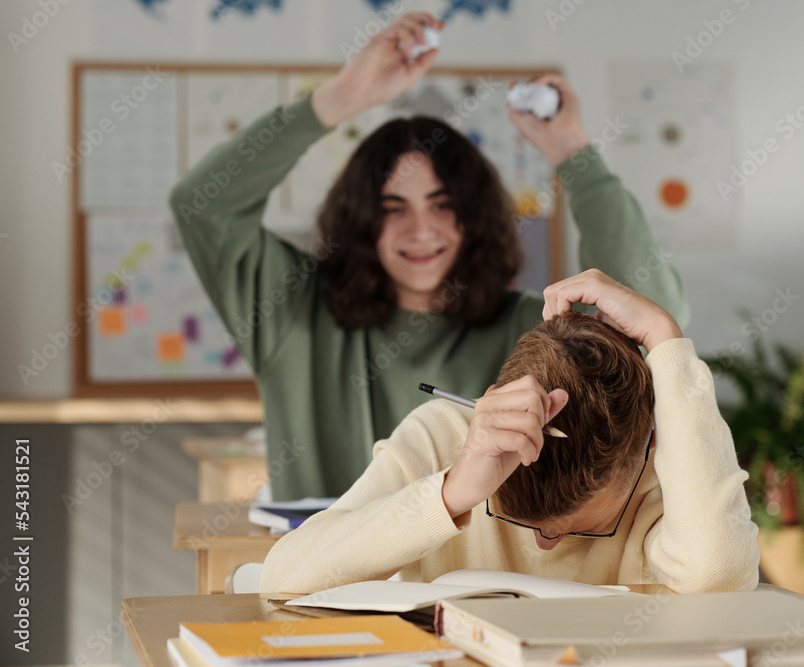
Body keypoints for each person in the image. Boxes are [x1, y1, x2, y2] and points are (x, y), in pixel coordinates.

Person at [169, 13, 689, 500]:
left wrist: (573, 153)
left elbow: (652, 318)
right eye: (393, 208)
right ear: (362, 222)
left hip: (480, 592)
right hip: (329, 592)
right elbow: (203, 206)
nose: (420, 230)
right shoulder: (292, 313)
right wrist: (343, 95)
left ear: (474, 218)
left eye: (442, 205)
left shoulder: (532, 327)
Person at [259, 270, 759, 595]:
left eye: (577, 525)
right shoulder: (444, 436)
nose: (547, 545)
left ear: (646, 449)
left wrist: (665, 339)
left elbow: (720, 573)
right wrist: (453, 492)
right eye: (527, 520)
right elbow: (282, 577)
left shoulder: (668, 477)